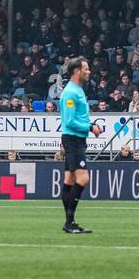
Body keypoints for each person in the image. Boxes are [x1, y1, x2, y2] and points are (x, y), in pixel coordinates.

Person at [59, 56, 103, 235]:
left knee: (69, 180)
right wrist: (91, 127)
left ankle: (70, 222)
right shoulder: (70, 92)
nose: (89, 71)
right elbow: (69, 122)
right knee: (83, 179)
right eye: (86, 68)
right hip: (73, 139)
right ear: (77, 71)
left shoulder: (77, 90)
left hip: (75, 139)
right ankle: (69, 222)